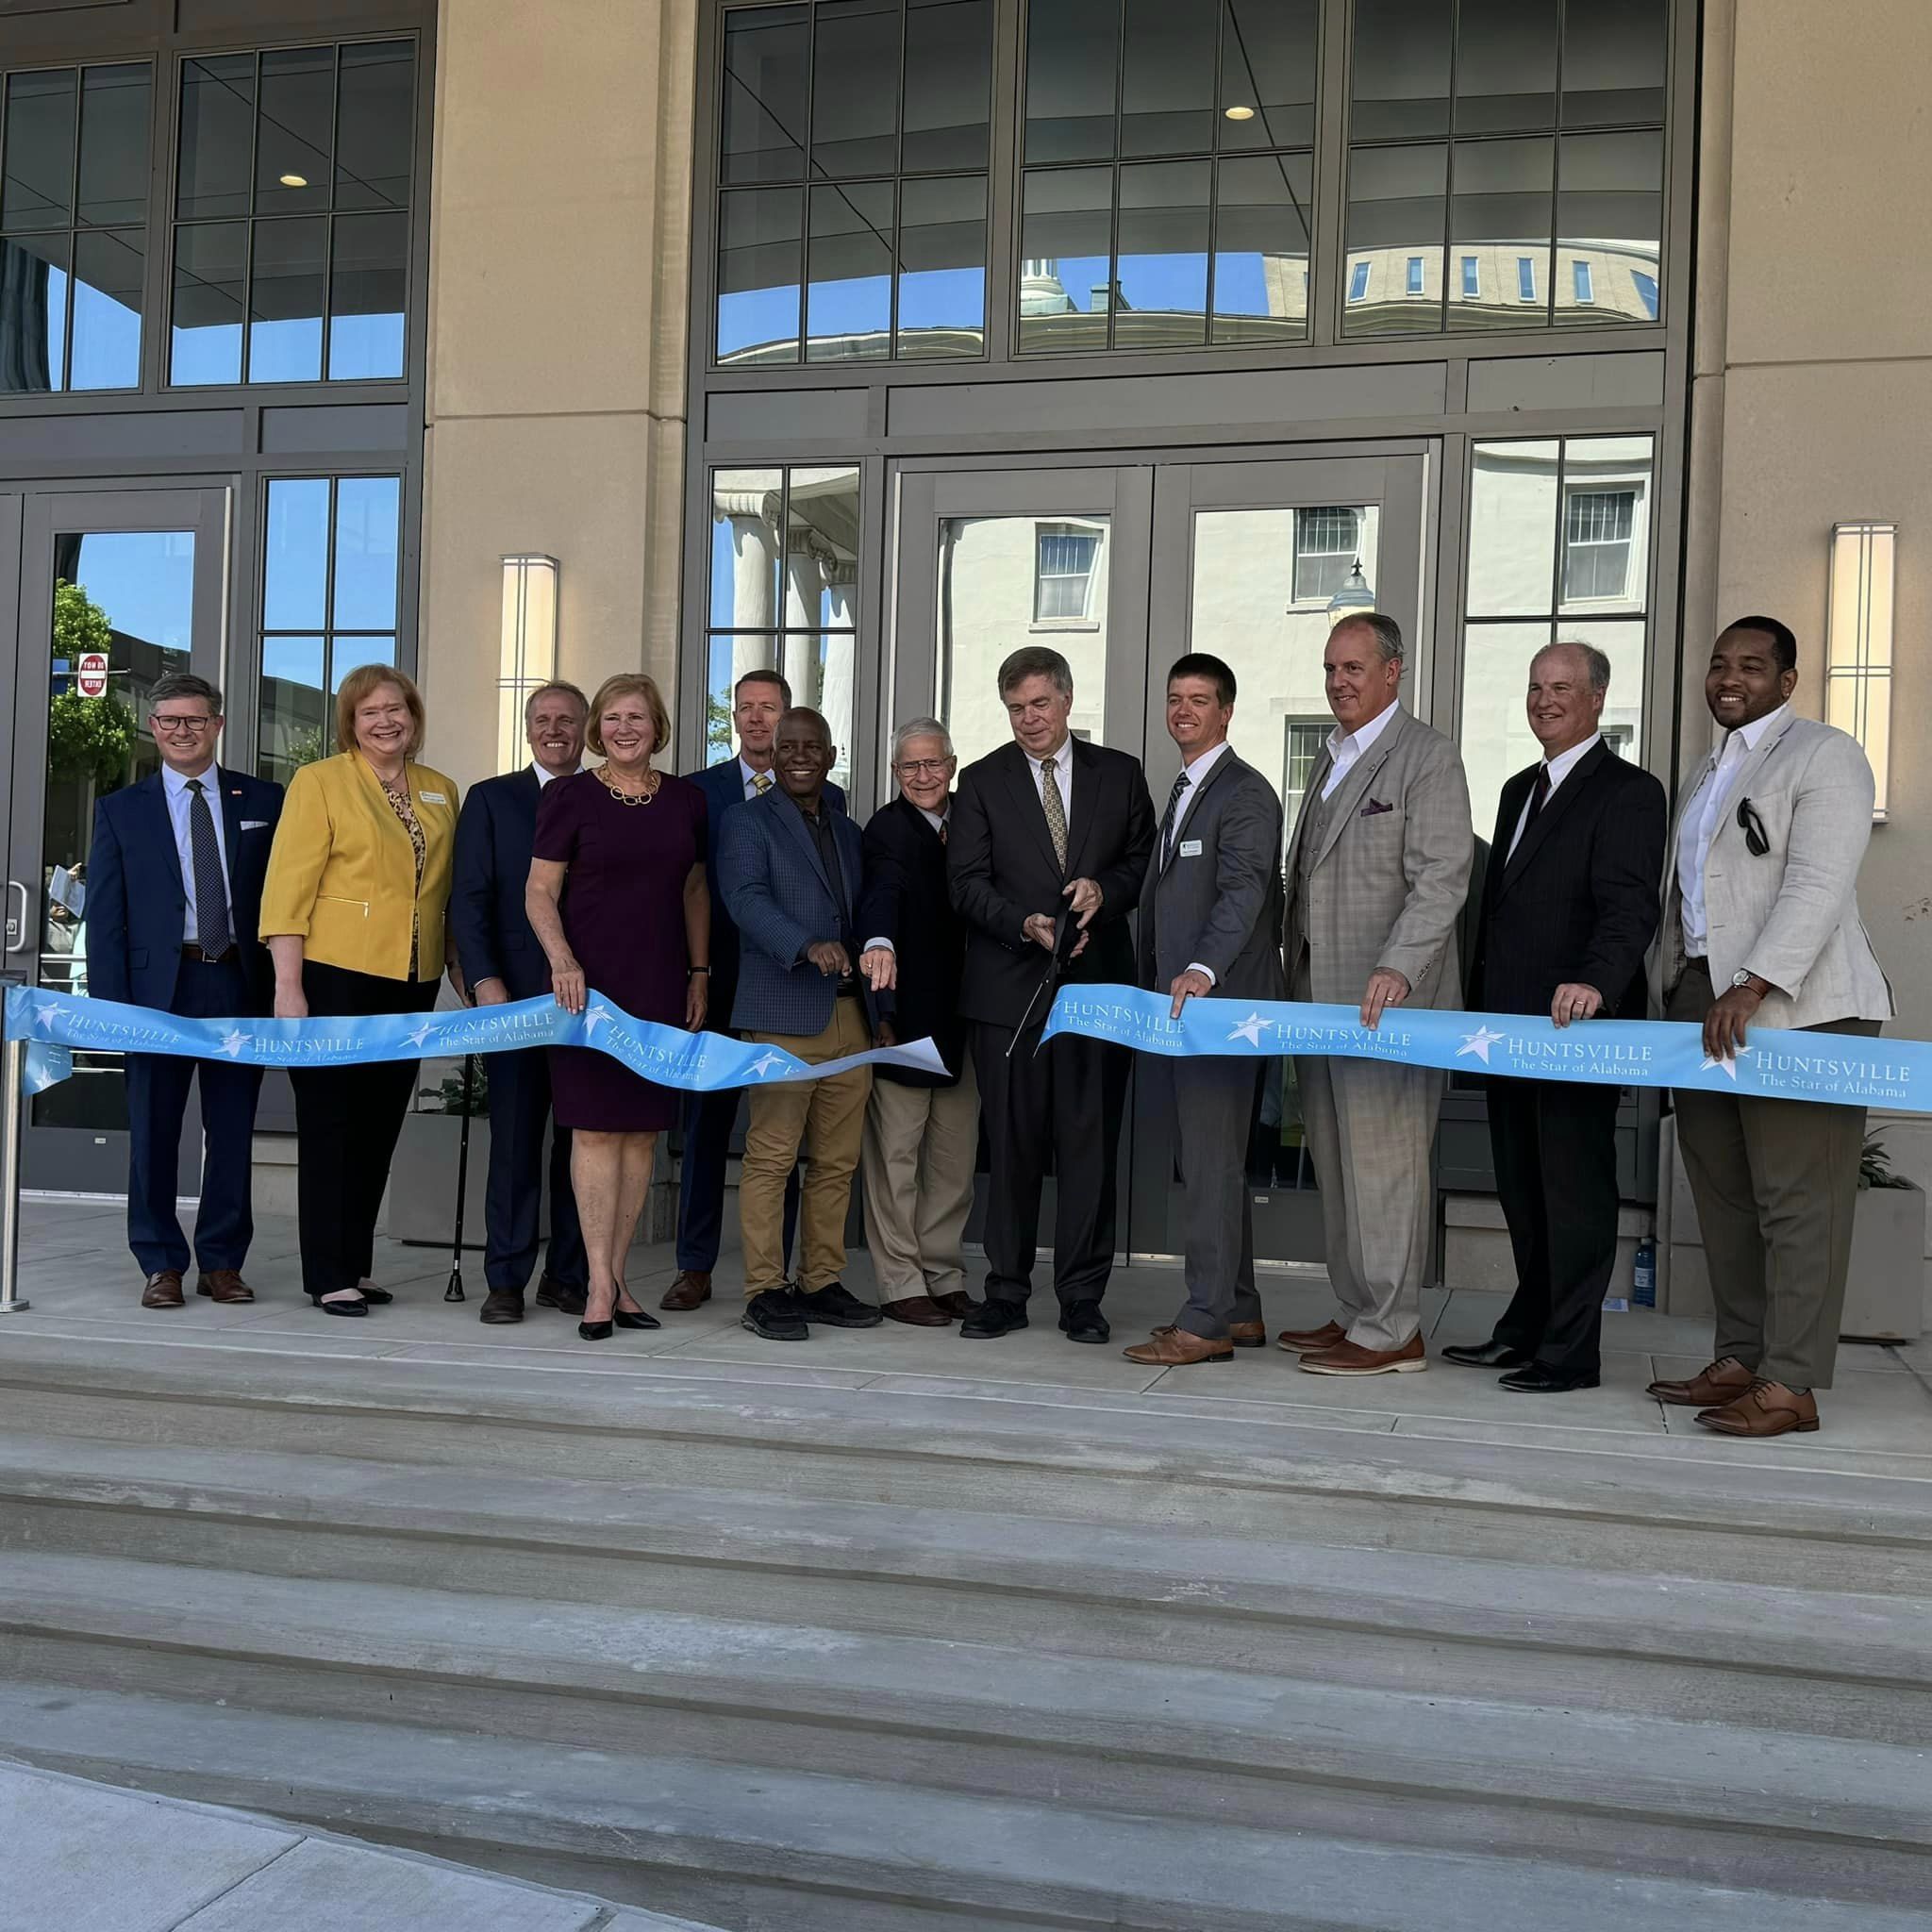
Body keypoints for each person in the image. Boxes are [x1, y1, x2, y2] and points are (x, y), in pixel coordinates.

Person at [1647, 617, 1894, 1438]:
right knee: (1723, 1193)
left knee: (1798, 1198)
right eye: (1720, 664)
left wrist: (1753, 985)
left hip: (1799, 1008)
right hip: (1703, 1001)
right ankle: (1745, 1356)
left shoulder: (1826, 754)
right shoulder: (1704, 772)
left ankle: (1792, 1383)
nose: (1731, 678)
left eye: (1753, 666)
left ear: (1787, 682)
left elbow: (1819, 884)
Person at [1447, 642, 1666, 1393]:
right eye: (1537, 686)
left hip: (1578, 1027)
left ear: (1598, 699)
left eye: (1562, 687)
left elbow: (1632, 906)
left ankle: (1571, 1353)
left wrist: (1597, 985)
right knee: (1523, 1187)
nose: (1545, 700)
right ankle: (1527, 1329)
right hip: (1508, 1026)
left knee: (1573, 1191)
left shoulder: (1630, 791)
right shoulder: (1516, 789)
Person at [1279, 613, 1473, 1376]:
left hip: (1389, 1002)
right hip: (1319, 998)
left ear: (1393, 671)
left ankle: (1395, 1330)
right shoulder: (1330, 758)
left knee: (1385, 1164)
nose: (1338, 683)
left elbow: (1442, 876)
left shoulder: (1427, 757)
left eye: (1353, 668)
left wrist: (1399, 964)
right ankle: (1361, 1308)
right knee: (1336, 1157)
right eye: (1330, 669)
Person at [949, 645, 1156, 1344]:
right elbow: (966, 882)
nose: (1029, 720)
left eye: (1040, 704)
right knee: (1011, 1150)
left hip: (1097, 993)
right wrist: (1023, 924)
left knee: (1088, 1148)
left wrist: (1107, 890)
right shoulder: (980, 782)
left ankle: (1082, 1298)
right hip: (1009, 994)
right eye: (1015, 708)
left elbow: (1141, 862)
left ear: (1067, 700)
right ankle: (1004, 1293)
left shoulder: (1120, 775)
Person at [260, 666, 461, 1316]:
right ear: (350, 720)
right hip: (333, 977)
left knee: (377, 1129)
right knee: (331, 1126)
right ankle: (327, 1273)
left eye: (396, 709)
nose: (385, 721)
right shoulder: (319, 782)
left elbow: (447, 892)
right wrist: (288, 986)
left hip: (412, 978)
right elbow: (287, 889)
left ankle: (355, 1261)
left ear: (414, 716)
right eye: (370, 711)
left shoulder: (440, 790)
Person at [84, 673, 283, 1309]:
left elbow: (285, 899)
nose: (181, 731)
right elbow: (105, 915)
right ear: (153, 726)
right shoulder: (121, 809)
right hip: (153, 992)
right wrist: (113, 1007)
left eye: (194, 720)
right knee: (153, 1130)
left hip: (236, 981)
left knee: (230, 1131)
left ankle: (222, 1262)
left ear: (217, 725)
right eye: (168, 720)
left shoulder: (263, 800)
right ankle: (160, 1263)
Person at [526, 674, 708, 1343]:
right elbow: (539, 891)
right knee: (596, 1130)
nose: (623, 728)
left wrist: (699, 972)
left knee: (640, 1134)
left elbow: (694, 888)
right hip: (588, 988)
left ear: (657, 726)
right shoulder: (569, 796)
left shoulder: (687, 801)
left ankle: (619, 1275)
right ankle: (598, 1283)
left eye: (636, 717)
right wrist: (563, 961)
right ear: (598, 728)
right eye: (611, 718)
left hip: (660, 983)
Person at [1122, 655, 1285, 1368]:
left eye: (1199, 700)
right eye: (1175, 699)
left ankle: (1205, 1318)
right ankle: (1239, 1309)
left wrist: (1201, 968)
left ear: (1227, 712)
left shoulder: (1244, 792)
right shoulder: (1186, 789)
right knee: (1214, 1162)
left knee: (1212, 1164)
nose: (1183, 710)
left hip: (1220, 1007)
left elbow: (1244, 892)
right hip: (1186, 1011)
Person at [666, 671, 843, 1311]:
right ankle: (695, 1266)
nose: (757, 719)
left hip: (792, 989)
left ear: (791, 718)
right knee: (708, 1126)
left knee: (785, 1136)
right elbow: (691, 890)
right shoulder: (697, 793)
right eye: (745, 708)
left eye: (769, 708)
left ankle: (789, 1269)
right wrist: (694, 971)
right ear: (735, 717)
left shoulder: (834, 800)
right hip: (712, 982)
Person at [716, 707, 881, 1342]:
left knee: (837, 1163)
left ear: (832, 754)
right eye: (790, 746)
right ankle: (764, 1289)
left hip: (850, 1017)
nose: (802, 755)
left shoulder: (849, 830)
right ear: (773, 754)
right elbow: (746, 900)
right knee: (772, 1158)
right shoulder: (746, 821)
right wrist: (807, 943)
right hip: (784, 1014)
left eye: (814, 746)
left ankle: (819, 1281)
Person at [450, 681, 592, 1324]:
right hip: (512, 1003)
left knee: (582, 1144)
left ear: (585, 729)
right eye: (543, 719)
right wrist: (483, 985)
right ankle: (504, 1278)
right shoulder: (490, 799)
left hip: (591, 1005)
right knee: (512, 1145)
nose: (554, 729)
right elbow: (470, 900)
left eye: (566, 719)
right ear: (528, 728)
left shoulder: (603, 797)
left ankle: (567, 1276)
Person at [855, 719, 979, 1326]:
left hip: (968, 1022)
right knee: (896, 1161)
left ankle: (944, 1273)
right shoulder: (886, 828)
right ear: (895, 772)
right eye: (911, 767)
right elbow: (883, 890)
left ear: (952, 766)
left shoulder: (975, 820)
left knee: (952, 1164)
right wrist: (878, 945)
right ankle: (901, 1282)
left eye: (933, 765)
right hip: (904, 1019)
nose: (923, 777)